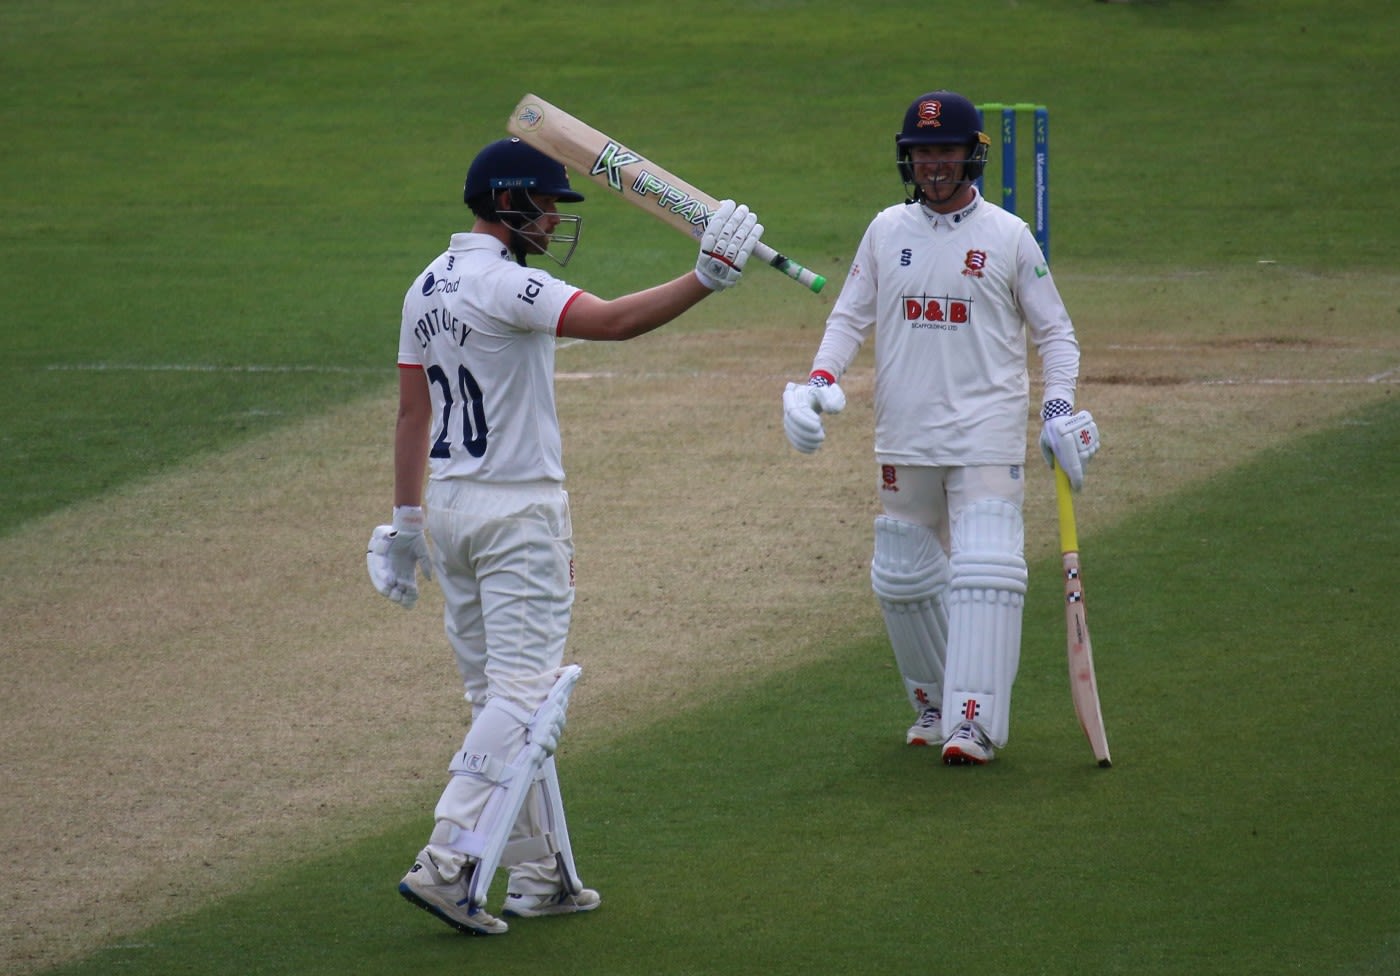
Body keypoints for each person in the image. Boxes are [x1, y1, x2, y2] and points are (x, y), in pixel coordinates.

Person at [367, 136, 763, 935]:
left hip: (451, 511)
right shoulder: (507, 285)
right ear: (507, 202)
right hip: (519, 517)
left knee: (498, 698)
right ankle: (447, 861)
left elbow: (415, 414)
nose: (553, 217)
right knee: (524, 697)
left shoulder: (424, 285)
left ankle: (542, 874)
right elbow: (613, 322)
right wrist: (706, 279)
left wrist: (407, 522)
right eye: (544, 204)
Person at [780, 90, 1099, 766]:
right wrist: (817, 382)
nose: (932, 164)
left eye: (944, 150)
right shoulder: (885, 230)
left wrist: (1057, 409)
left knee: (984, 568)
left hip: (985, 434)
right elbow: (849, 319)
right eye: (921, 152)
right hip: (905, 434)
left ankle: (975, 722)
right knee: (901, 573)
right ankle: (934, 702)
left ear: (971, 155)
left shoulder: (1009, 236)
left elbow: (1057, 336)